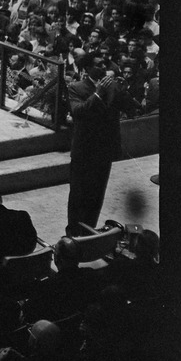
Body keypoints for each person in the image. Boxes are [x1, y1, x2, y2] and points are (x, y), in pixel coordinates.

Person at [66, 53, 133, 235]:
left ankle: (89, 232)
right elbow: (78, 112)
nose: (104, 67)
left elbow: (131, 108)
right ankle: (73, 233)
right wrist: (98, 93)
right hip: (84, 151)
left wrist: (122, 90)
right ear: (87, 68)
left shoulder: (113, 86)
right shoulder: (76, 88)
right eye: (99, 64)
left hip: (104, 150)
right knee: (78, 195)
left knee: (97, 196)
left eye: (104, 64)